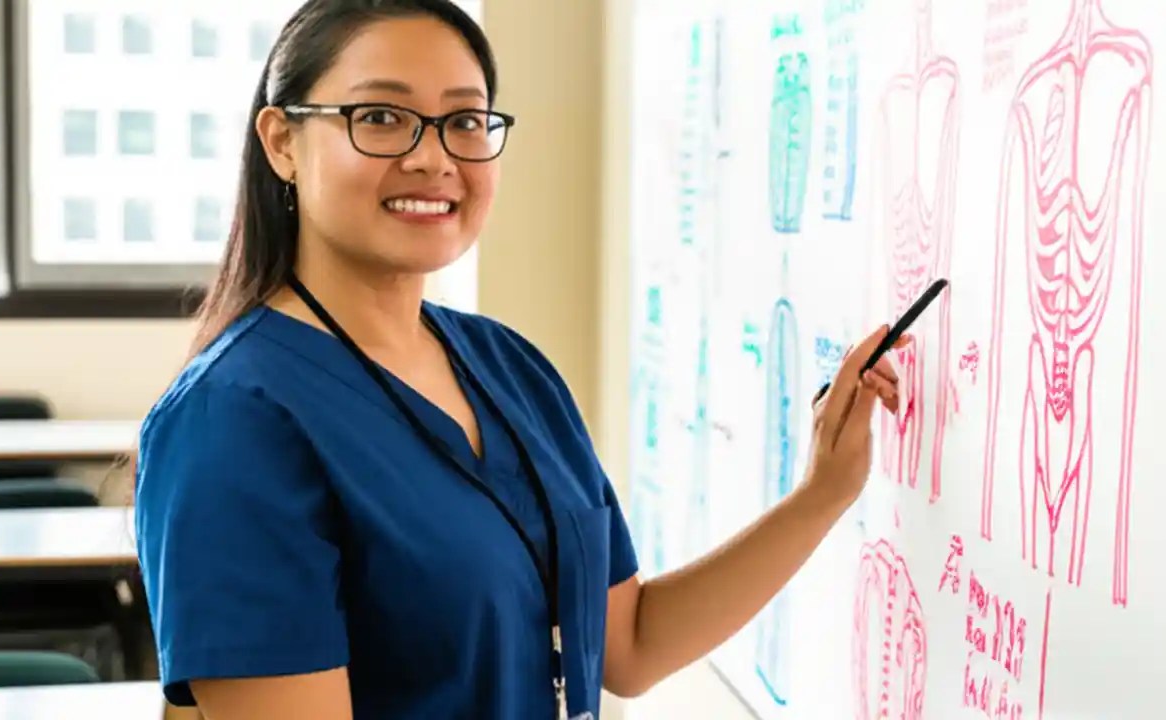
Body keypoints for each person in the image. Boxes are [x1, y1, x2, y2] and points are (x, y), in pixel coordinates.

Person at [132, 1, 907, 718]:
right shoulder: (231, 421)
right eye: (380, 116)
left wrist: (823, 494)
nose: (433, 158)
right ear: (282, 142)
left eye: (464, 121)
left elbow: (628, 645)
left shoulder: (510, 369)